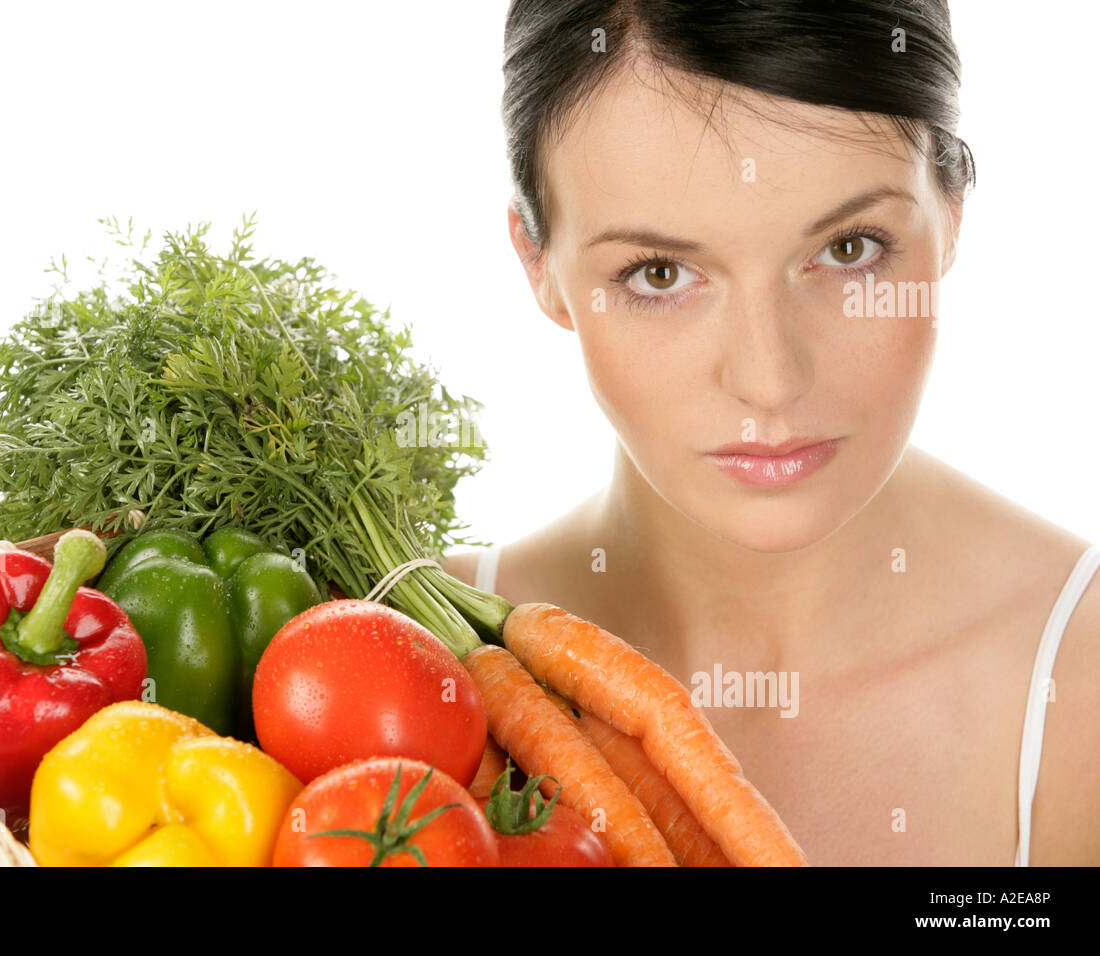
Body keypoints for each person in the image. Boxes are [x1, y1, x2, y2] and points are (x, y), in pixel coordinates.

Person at [441, 0, 1100, 866]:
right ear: (540, 263)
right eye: (660, 273)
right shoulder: (387, 666)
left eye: (851, 249)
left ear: (952, 214)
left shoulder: (1081, 681)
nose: (769, 379)